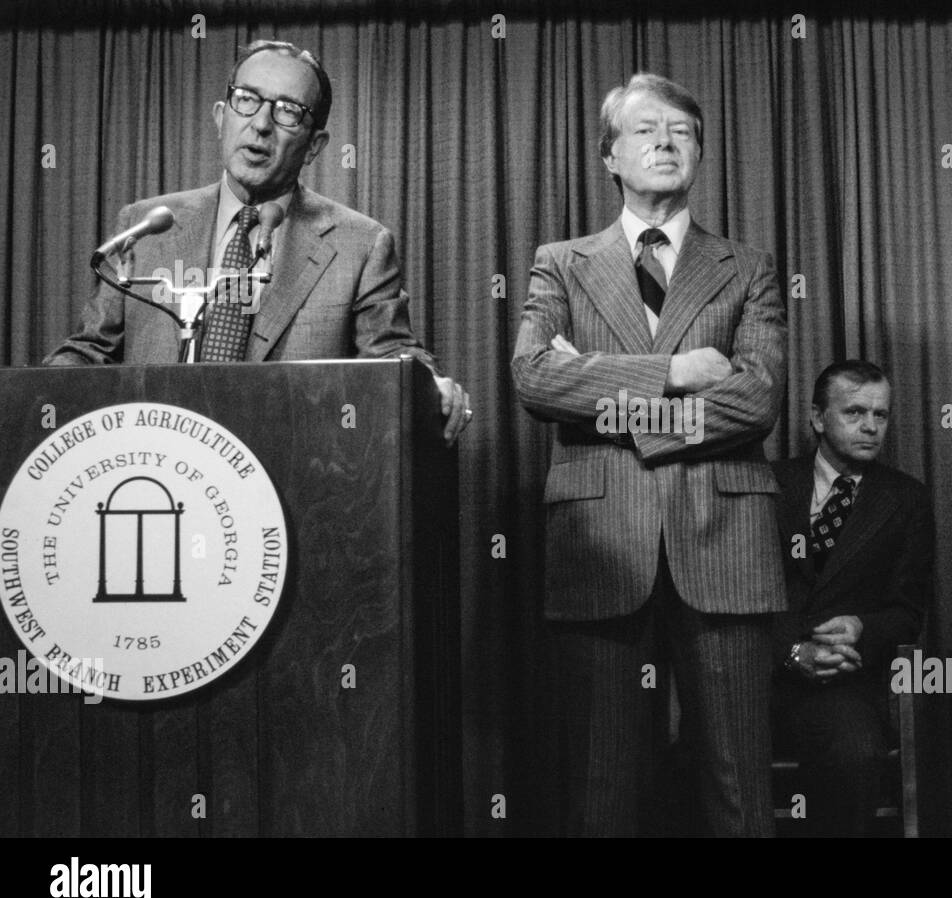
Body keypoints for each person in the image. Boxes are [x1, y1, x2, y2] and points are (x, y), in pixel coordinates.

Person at [512, 73, 787, 836]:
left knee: (738, 789)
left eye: (682, 131)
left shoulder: (749, 267)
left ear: (699, 152)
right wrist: (674, 371)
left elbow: (756, 400)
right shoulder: (560, 262)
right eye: (645, 130)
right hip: (602, 546)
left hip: (725, 547)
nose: (666, 143)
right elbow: (535, 377)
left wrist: (615, 405)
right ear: (609, 156)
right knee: (602, 790)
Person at [45, 39, 470, 445]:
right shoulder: (146, 225)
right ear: (220, 117)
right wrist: (33, 392)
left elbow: (392, 357)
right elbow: (92, 351)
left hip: (291, 472)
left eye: (288, 111)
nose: (261, 124)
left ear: (314, 145)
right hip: (158, 465)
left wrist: (427, 383)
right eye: (247, 99)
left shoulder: (361, 244)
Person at [770, 360, 934, 835]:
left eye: (880, 415)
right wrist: (793, 651)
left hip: (843, 681)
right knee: (689, 751)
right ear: (818, 418)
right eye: (854, 412)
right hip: (760, 672)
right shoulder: (766, 484)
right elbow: (735, 596)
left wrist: (862, 628)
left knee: (856, 755)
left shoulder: (907, 500)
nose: (869, 426)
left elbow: (907, 613)